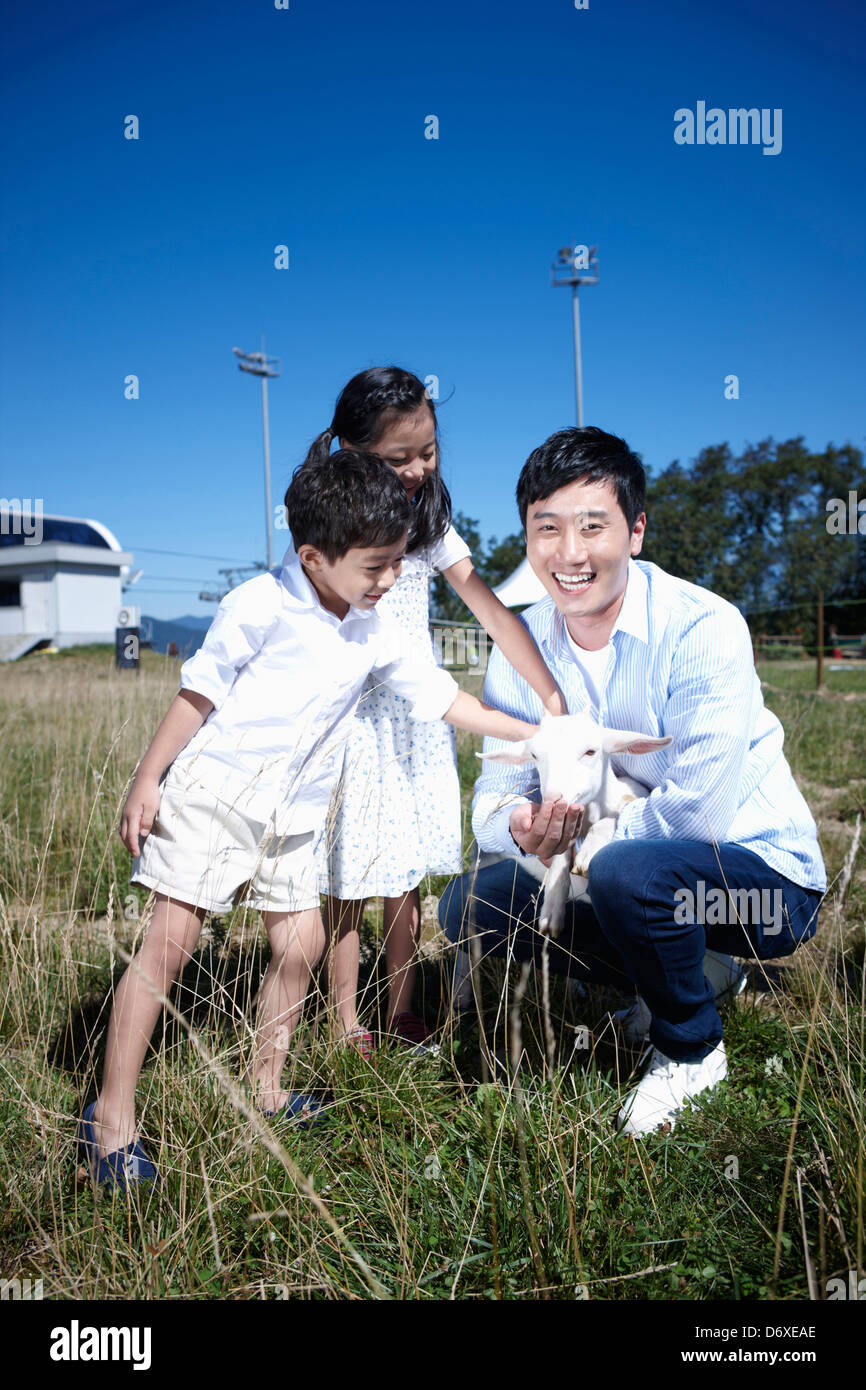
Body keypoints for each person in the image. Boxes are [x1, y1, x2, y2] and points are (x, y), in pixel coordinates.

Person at [77, 451, 541, 1191]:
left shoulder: (373, 627)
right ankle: (109, 1118)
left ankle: (267, 1087)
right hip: (217, 797)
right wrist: (147, 779)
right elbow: (198, 693)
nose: (389, 581)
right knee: (170, 947)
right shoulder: (259, 605)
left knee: (300, 946)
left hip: (295, 811)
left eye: (396, 565)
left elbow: (442, 699)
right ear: (313, 557)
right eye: (375, 567)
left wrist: (533, 732)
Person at [439, 426, 826, 1136]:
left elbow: (697, 821)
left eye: (594, 526)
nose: (570, 553)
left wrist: (586, 847)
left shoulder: (703, 628)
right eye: (547, 528)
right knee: (475, 903)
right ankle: (693, 970)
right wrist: (520, 826)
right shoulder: (517, 652)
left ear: (636, 530)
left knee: (626, 871)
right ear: (527, 536)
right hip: (627, 870)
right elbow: (492, 804)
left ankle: (690, 1049)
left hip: (762, 882)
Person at [304, 368, 566, 1056]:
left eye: (429, 452)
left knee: (409, 871)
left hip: (420, 725)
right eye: (399, 458)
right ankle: (342, 1019)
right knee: (350, 875)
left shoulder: (431, 523)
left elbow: (488, 607)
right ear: (352, 452)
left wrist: (550, 693)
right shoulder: (330, 530)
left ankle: (401, 1007)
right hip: (356, 722)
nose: (419, 468)